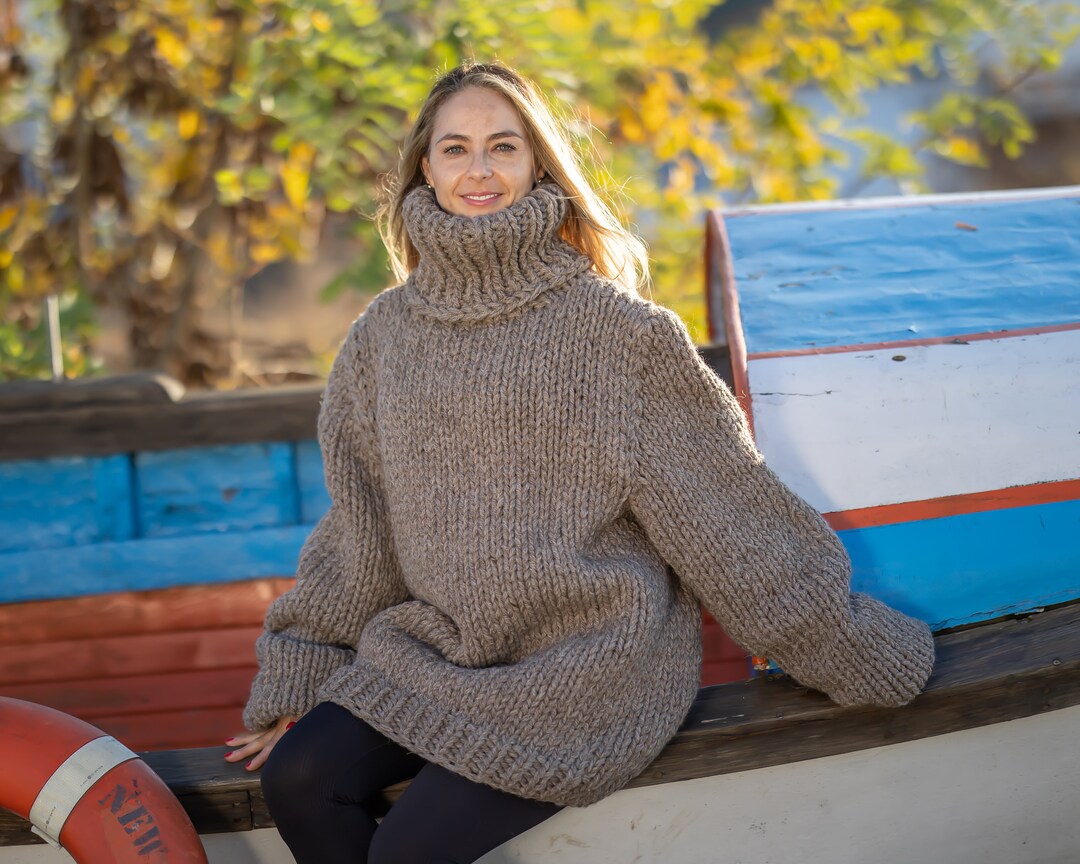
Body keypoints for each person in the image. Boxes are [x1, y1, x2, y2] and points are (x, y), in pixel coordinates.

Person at [223, 61, 935, 864]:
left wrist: (846, 650)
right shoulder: (383, 337)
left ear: (538, 163)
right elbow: (361, 533)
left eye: (504, 146)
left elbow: (728, 520)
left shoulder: (619, 334)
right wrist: (302, 672)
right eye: (456, 150)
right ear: (425, 167)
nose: (480, 170)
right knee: (297, 777)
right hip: (438, 653)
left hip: (586, 672)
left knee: (406, 856)